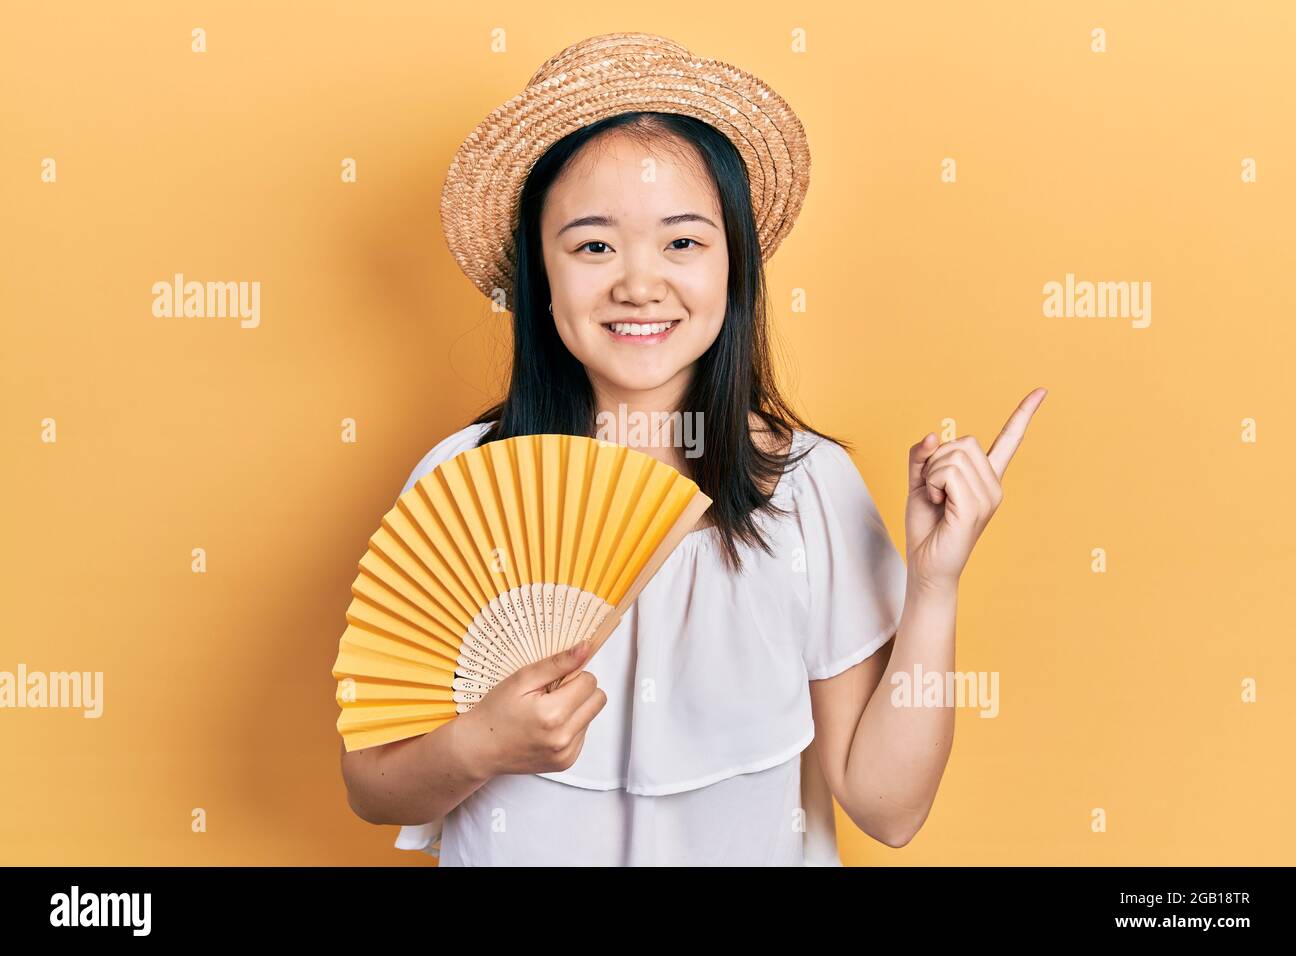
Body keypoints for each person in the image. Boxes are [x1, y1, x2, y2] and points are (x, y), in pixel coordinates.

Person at [339, 32, 1046, 866]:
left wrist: (935, 585)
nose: (640, 282)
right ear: (540, 271)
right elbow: (369, 786)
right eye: (593, 245)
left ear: (733, 266)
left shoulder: (809, 489)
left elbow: (888, 809)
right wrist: (480, 746)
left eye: (682, 241)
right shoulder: (462, 481)